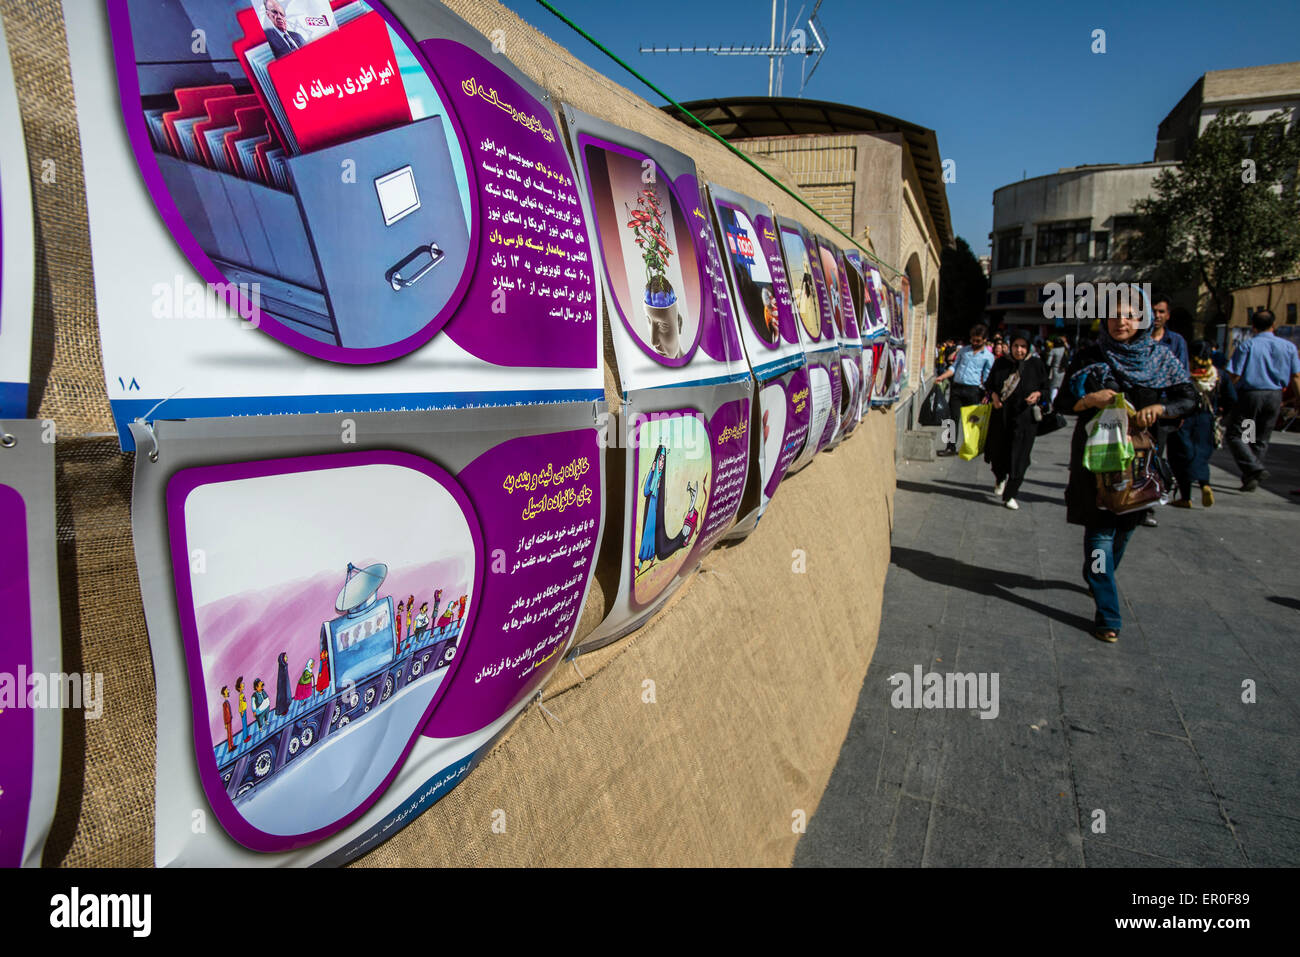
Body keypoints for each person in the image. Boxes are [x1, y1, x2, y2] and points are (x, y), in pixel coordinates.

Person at [1055, 285, 1195, 642]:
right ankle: (1108, 615)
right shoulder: (1089, 355)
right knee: (1100, 531)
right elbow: (1063, 403)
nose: (1122, 321)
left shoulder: (1160, 358)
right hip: (1096, 460)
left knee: (1125, 529)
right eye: (1115, 314)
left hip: (1139, 462)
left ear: (1143, 318)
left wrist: (1160, 409)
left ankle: (1099, 574)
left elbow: (1189, 398)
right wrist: (1090, 400)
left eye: (1131, 314)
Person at [1224, 309, 1300, 491]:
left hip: (1251, 397)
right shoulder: (1288, 347)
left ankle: (1254, 468)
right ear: (1274, 325)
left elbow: (1233, 375)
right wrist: (1298, 398)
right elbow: (1296, 376)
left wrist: (1227, 397)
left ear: (1253, 326)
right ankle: (1250, 478)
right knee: (1260, 438)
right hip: (1274, 397)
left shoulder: (1247, 346)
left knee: (1238, 435)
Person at [984, 329, 1048, 510]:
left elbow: (1046, 389)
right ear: (1010, 346)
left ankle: (1010, 494)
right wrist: (994, 397)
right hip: (1002, 416)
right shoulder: (1001, 363)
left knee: (1021, 457)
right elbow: (989, 385)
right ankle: (1000, 477)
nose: (1019, 350)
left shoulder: (1036, 364)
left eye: (1023, 347)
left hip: (1025, 420)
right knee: (998, 453)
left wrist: (1037, 394)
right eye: (1016, 346)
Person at [1170, 341, 1226, 508]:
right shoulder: (1217, 374)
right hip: (1206, 418)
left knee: (1181, 456)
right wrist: (1220, 410)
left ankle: (1185, 497)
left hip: (1182, 418)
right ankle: (1204, 484)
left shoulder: (1183, 372)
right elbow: (1231, 397)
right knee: (1201, 454)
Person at [934, 324, 994, 456]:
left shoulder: (988, 356)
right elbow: (955, 367)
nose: (974, 343)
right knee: (951, 419)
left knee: (972, 420)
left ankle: (971, 446)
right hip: (957, 388)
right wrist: (942, 377)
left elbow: (988, 375)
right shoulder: (963, 351)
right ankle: (950, 446)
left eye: (978, 340)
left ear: (984, 340)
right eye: (972, 340)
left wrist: (987, 393)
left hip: (973, 390)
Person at [1046, 337, 1069, 402]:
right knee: (1060, 387)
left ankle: (1053, 402)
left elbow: (1048, 363)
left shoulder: (1053, 350)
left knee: (1053, 387)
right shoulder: (1065, 349)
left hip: (1055, 371)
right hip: (1063, 371)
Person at [235, 676, 251, 743]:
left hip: (244, 710)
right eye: (241, 684)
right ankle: (245, 737)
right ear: (239, 687)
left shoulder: (242, 694)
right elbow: (241, 704)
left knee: (245, 723)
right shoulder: (241, 695)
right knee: (244, 724)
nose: (243, 684)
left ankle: (246, 736)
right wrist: (241, 711)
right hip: (243, 711)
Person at [274, 652, 290, 717]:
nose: (287, 658)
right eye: (285, 657)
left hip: (285, 685)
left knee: (286, 695)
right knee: (282, 697)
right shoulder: (282, 667)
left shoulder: (284, 666)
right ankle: (282, 710)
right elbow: (281, 679)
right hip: (282, 686)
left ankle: (285, 708)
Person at [220, 685, 235, 753]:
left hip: (229, 719)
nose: (228, 691)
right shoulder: (224, 703)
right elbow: (225, 714)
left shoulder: (227, 702)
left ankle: (232, 745)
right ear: (224, 693)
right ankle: (230, 747)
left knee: (230, 733)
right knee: (229, 734)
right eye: (226, 690)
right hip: (227, 721)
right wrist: (225, 723)